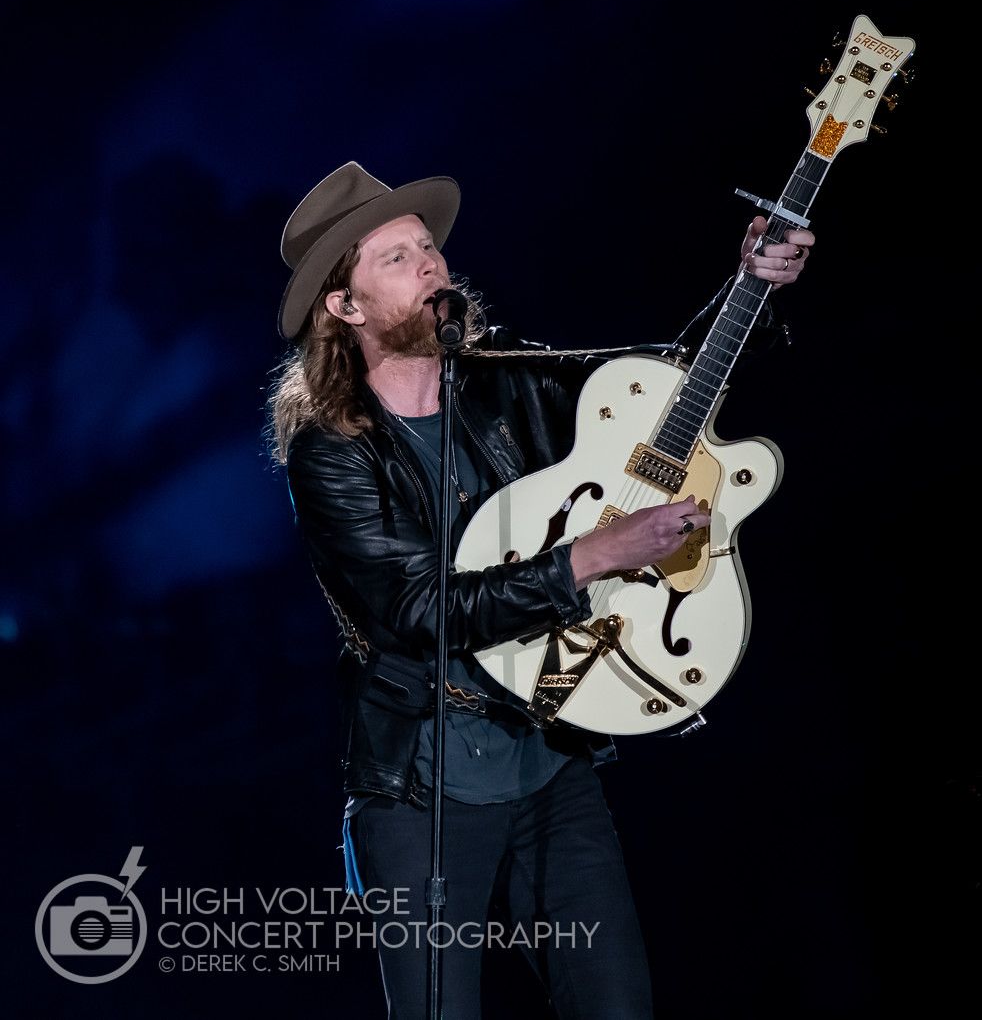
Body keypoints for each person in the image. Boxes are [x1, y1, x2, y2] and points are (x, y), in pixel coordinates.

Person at [266, 161, 813, 1019]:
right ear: (347, 307)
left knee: (618, 1005)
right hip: (425, 785)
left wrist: (750, 284)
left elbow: (664, 394)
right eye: (397, 258)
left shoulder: (507, 384)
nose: (431, 265)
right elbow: (418, 613)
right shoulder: (333, 450)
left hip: (552, 756)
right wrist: (590, 558)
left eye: (428, 248)